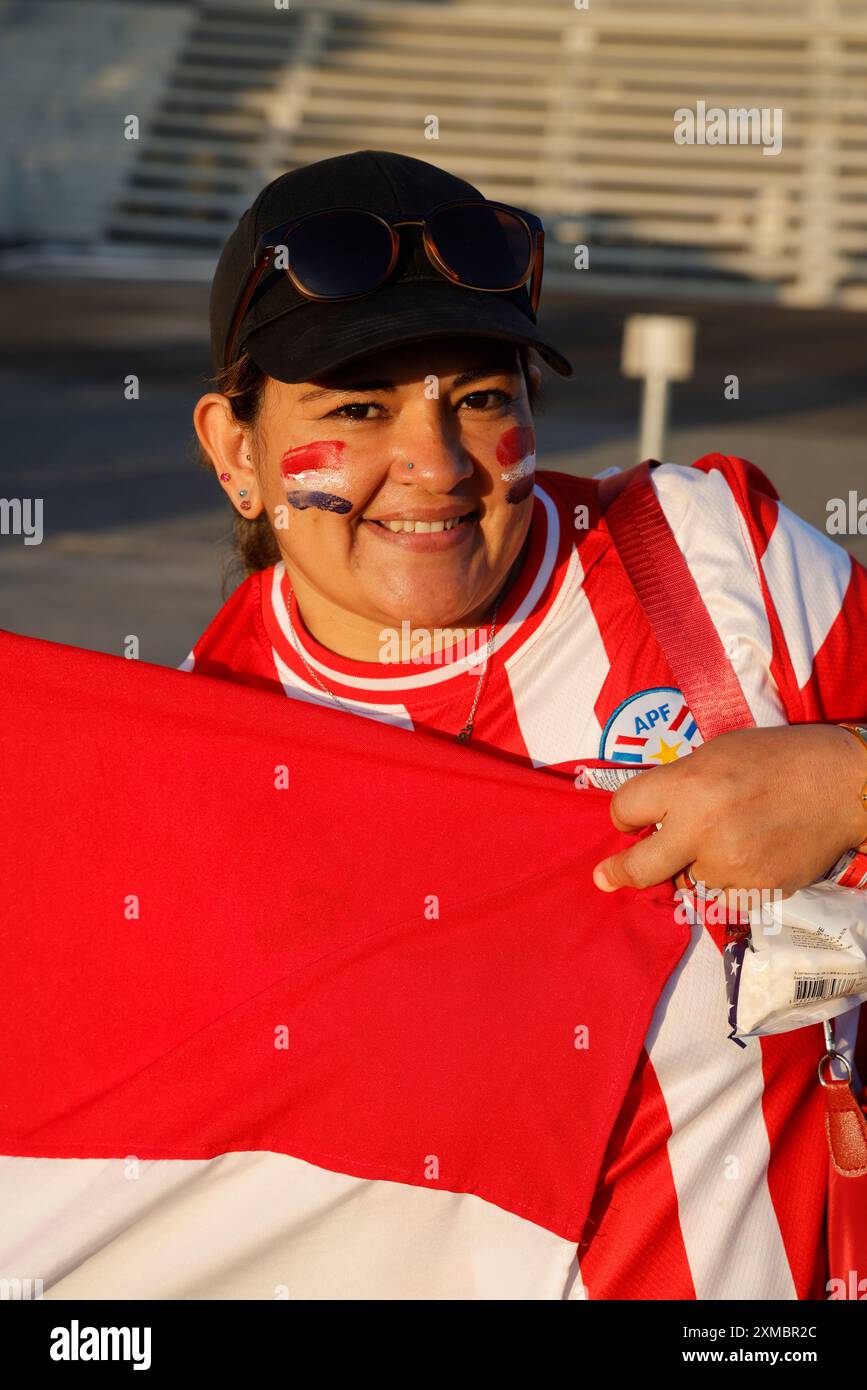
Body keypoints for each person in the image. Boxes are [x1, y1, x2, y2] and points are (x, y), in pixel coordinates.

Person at [189, 149, 867, 1298]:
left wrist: (851, 779)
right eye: (358, 409)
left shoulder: (712, 562)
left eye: (483, 399)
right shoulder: (199, 749)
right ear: (234, 451)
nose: (438, 464)